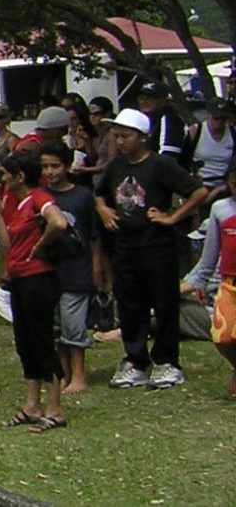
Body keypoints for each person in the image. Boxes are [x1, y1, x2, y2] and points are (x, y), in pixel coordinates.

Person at [94, 109, 209, 390]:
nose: (120, 142)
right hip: (125, 245)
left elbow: (198, 192)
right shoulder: (116, 166)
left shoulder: (159, 165)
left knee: (164, 302)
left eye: (126, 136)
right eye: (117, 136)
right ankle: (135, 360)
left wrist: (171, 217)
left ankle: (167, 361)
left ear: (143, 138)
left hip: (156, 245)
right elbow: (99, 193)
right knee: (131, 304)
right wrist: (104, 210)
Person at [0, 150, 71, 431]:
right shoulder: (15, 203)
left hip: (38, 278)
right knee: (24, 342)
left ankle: (54, 408)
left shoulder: (39, 198)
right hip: (19, 277)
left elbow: (59, 222)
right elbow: (7, 243)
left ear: (19, 177)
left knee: (42, 340)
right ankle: (32, 404)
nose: (3, 179)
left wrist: (40, 246)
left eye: (7, 174)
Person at [33, 142, 103, 394]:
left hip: (77, 267)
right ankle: (62, 373)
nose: (51, 172)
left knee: (74, 325)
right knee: (57, 325)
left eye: (56, 166)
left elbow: (94, 236)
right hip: (50, 268)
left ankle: (79, 375)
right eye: (45, 167)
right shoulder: (39, 196)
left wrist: (96, 269)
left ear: (67, 166)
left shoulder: (82, 196)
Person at [179, 168, 235, 398]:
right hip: (229, 283)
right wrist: (199, 283)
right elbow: (209, 256)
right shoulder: (220, 210)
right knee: (221, 337)